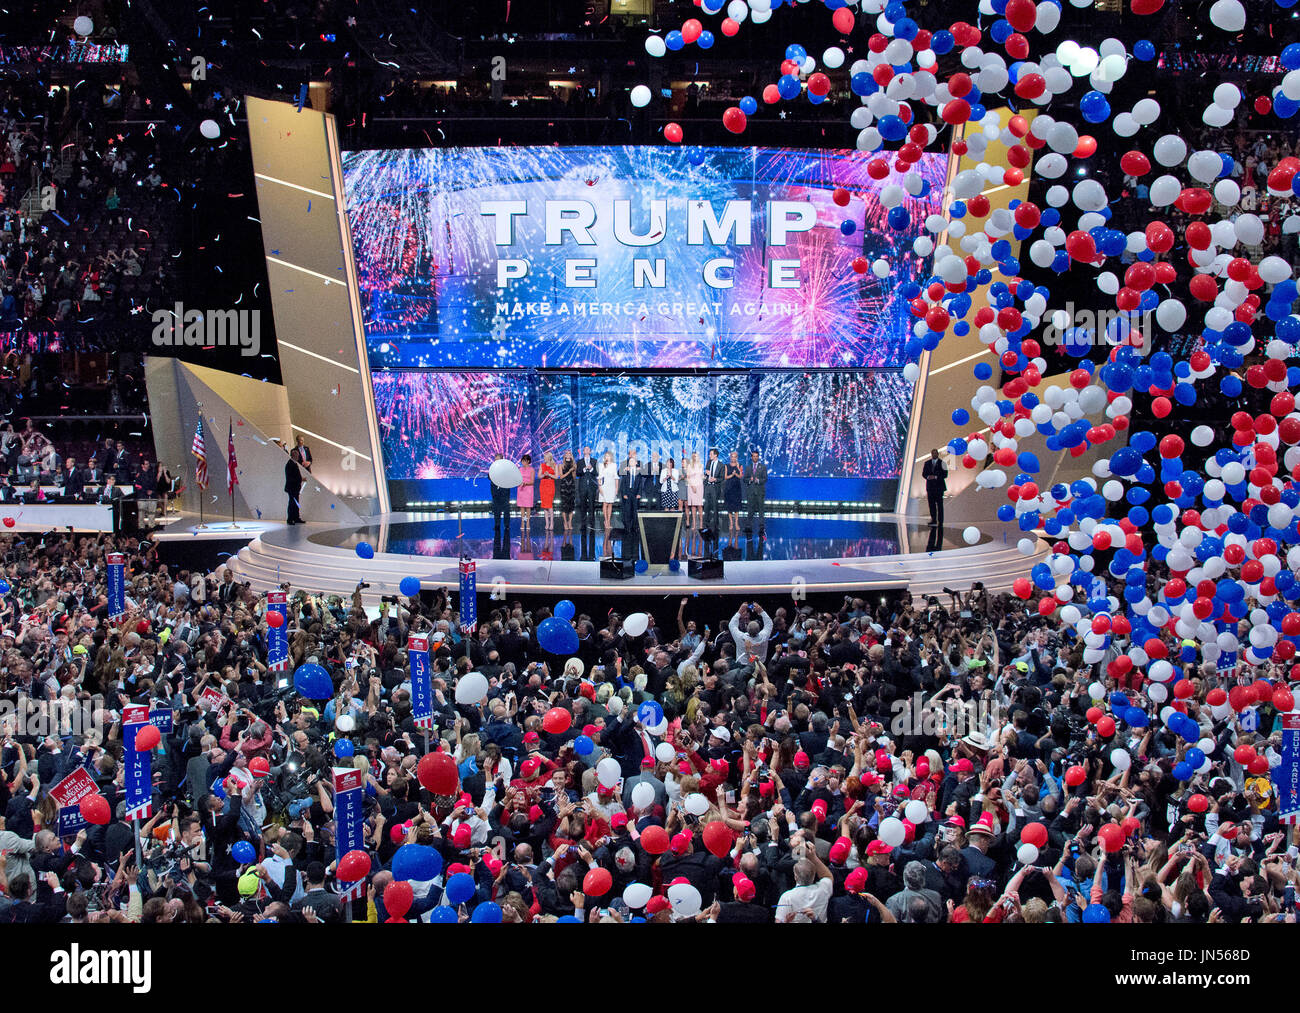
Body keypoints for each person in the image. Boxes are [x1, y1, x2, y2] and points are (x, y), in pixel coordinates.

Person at [744, 449, 768, 536]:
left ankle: (761, 527)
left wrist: (758, 480)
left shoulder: (763, 467)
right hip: (750, 491)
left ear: (758, 457)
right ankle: (748, 526)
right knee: (750, 509)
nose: (755, 458)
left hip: (760, 491)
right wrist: (749, 480)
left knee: (761, 510)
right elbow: (744, 479)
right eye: (754, 456)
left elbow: (765, 479)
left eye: (756, 456)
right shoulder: (748, 467)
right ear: (751, 457)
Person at [489, 453, 512, 544]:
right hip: (495, 491)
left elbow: (510, 477)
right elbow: (489, 476)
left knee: (506, 508)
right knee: (496, 509)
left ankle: (507, 525)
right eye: (495, 460)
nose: (496, 461)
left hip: (505, 491)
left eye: (498, 459)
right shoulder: (492, 467)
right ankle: (497, 525)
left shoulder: (507, 468)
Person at [923, 448, 948, 527]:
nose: (934, 454)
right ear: (931, 454)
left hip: (939, 488)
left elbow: (945, 474)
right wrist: (928, 477)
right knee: (931, 505)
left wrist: (936, 477)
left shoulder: (942, 463)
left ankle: (940, 521)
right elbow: (924, 474)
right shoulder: (927, 463)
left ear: (938, 454)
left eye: (935, 453)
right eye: (933, 453)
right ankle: (933, 520)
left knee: (940, 505)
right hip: (930, 488)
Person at [576, 446, 598, 532]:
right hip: (582, 486)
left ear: (591, 451)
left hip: (592, 486)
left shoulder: (594, 461)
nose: (587, 450)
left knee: (592, 505)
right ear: (583, 451)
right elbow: (578, 473)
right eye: (585, 449)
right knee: (583, 506)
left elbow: (596, 473)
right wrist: (584, 469)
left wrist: (591, 468)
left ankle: (592, 524)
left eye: (588, 449)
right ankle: (583, 524)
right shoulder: (580, 462)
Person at [597, 450, 618, 538]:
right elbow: (599, 478)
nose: (607, 457)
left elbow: (616, 477)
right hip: (604, 486)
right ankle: (605, 521)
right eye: (606, 456)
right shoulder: (601, 465)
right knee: (605, 504)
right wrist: (600, 487)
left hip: (612, 486)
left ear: (611, 457)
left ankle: (609, 521)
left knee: (610, 504)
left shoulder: (614, 465)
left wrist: (616, 488)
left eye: (608, 456)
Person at [702, 448, 723, 535]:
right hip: (708, 486)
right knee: (706, 505)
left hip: (715, 487)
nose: (710, 455)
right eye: (709, 454)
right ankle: (705, 524)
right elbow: (706, 474)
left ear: (715, 455)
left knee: (715, 506)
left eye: (711, 454)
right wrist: (705, 475)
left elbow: (722, 478)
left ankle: (715, 525)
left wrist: (715, 479)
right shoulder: (708, 462)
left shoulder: (721, 465)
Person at [724, 450, 743, 538]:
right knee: (729, 506)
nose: (733, 458)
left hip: (736, 487)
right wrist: (732, 475)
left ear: (737, 458)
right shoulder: (726, 466)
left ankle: (736, 522)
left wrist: (736, 473)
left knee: (736, 505)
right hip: (729, 487)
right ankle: (731, 522)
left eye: (735, 456)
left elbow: (741, 476)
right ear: (730, 457)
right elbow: (725, 477)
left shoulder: (740, 465)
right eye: (732, 456)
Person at [558, 450, 577, 537]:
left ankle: (570, 522)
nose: (568, 455)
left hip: (571, 485)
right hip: (564, 486)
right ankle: (565, 522)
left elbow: (573, 477)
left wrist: (573, 471)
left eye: (570, 454)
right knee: (564, 504)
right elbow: (561, 476)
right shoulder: (561, 465)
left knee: (571, 504)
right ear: (564, 456)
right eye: (567, 454)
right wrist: (569, 471)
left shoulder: (574, 465)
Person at [538, 451, 557, 536]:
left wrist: (549, 474)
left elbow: (556, 477)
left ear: (549, 457)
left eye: (545, 457)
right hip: (543, 485)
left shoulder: (554, 465)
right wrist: (543, 474)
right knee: (545, 506)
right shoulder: (542, 465)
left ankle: (552, 522)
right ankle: (547, 523)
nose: (544, 458)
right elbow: (539, 476)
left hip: (550, 485)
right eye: (544, 457)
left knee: (549, 505)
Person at [684, 450, 704, 533]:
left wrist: (704, 477)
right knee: (693, 506)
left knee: (699, 505)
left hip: (699, 485)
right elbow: (688, 477)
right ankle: (694, 524)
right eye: (693, 456)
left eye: (696, 456)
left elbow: (701, 476)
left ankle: (701, 524)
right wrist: (692, 486)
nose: (694, 457)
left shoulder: (701, 465)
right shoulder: (689, 466)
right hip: (691, 486)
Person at [517, 454, 535, 539]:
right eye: (522, 460)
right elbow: (517, 479)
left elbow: (532, 481)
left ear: (528, 461)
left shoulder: (532, 470)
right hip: (521, 489)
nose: (522, 462)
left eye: (524, 460)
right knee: (522, 507)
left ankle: (527, 522)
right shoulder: (519, 469)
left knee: (528, 507)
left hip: (528, 489)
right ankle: (522, 522)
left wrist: (525, 483)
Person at [285, 446, 304, 525]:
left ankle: (296, 518)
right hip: (292, 488)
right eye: (297, 456)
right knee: (292, 503)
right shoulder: (290, 464)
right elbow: (290, 477)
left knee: (296, 503)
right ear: (294, 456)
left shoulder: (294, 464)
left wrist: (301, 479)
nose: (298, 457)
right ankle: (290, 519)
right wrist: (300, 479)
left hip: (295, 488)